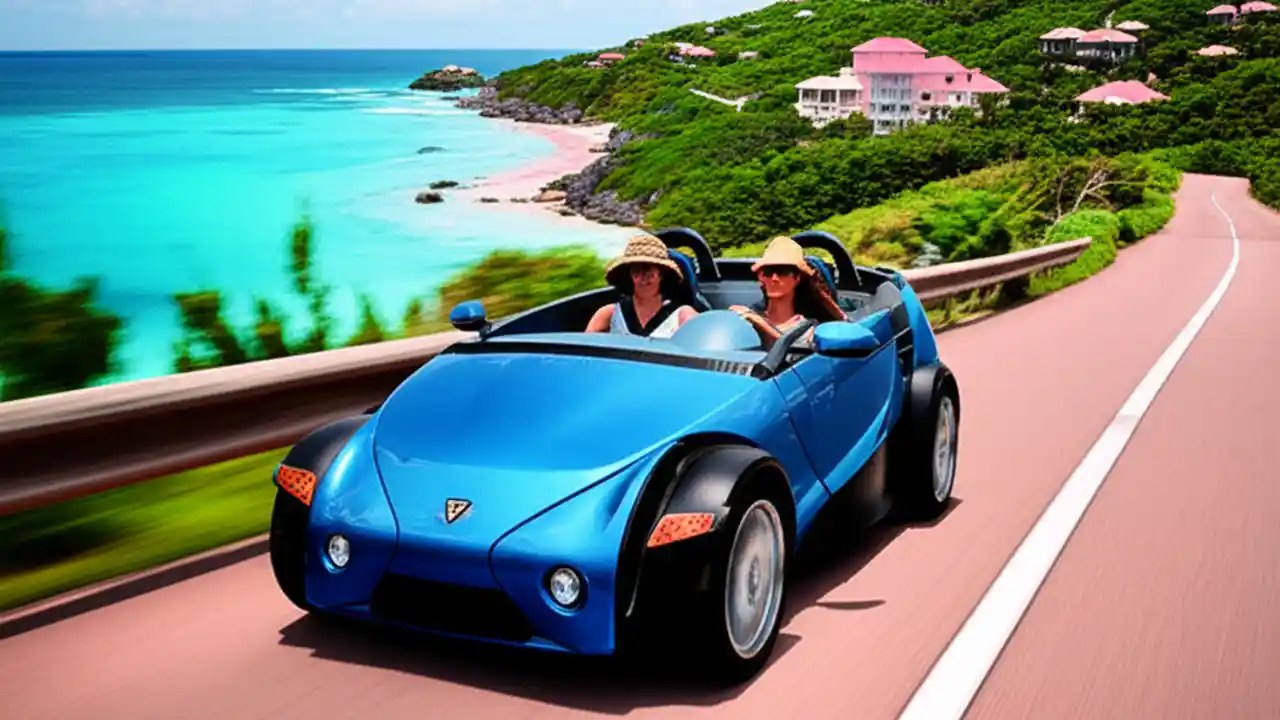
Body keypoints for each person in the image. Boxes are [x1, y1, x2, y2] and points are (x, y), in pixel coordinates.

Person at [730, 236, 846, 348]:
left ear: (797, 278)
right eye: (768, 272)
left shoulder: (808, 328)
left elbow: (798, 352)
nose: (774, 279)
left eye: (782, 271)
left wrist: (760, 323)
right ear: (761, 277)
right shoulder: (747, 319)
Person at [585, 233, 699, 338]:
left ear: (662, 274)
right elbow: (584, 350)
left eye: (649, 271)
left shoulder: (683, 316)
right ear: (628, 275)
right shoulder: (608, 314)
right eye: (637, 271)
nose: (643, 278)